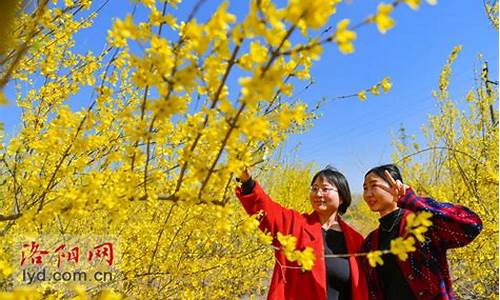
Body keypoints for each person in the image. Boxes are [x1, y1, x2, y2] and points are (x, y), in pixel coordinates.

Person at [235, 166, 368, 300]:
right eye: (314, 188)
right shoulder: (294, 225)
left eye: (325, 189)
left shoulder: (356, 240)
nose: (318, 194)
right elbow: (266, 210)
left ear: (342, 197)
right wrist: (247, 182)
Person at [360, 164, 483, 300]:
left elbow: (471, 225)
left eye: (374, 186)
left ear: (395, 185)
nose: (368, 194)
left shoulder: (422, 223)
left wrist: (413, 201)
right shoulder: (370, 242)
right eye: (365, 188)